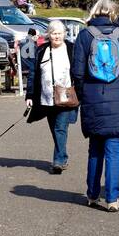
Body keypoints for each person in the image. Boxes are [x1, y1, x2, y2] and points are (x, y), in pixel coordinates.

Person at [71, 0, 119, 211]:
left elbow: (77, 72)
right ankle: (112, 198)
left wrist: (83, 95)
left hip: (92, 95)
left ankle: (92, 194)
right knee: (114, 150)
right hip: (118, 96)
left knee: (95, 149)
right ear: (113, 14)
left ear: (93, 14)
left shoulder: (84, 36)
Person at [26, 22, 78, 174]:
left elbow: (79, 71)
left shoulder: (71, 49)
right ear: (49, 35)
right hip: (46, 96)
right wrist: (30, 95)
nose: (57, 36)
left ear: (64, 34)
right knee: (55, 129)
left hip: (65, 95)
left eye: (59, 33)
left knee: (60, 128)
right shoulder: (41, 50)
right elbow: (33, 73)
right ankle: (63, 155)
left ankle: (58, 161)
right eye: (54, 33)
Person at [20, 27, 38, 91]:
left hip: (22, 66)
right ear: (33, 36)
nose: (38, 37)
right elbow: (34, 59)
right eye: (37, 36)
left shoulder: (22, 43)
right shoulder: (32, 45)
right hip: (29, 67)